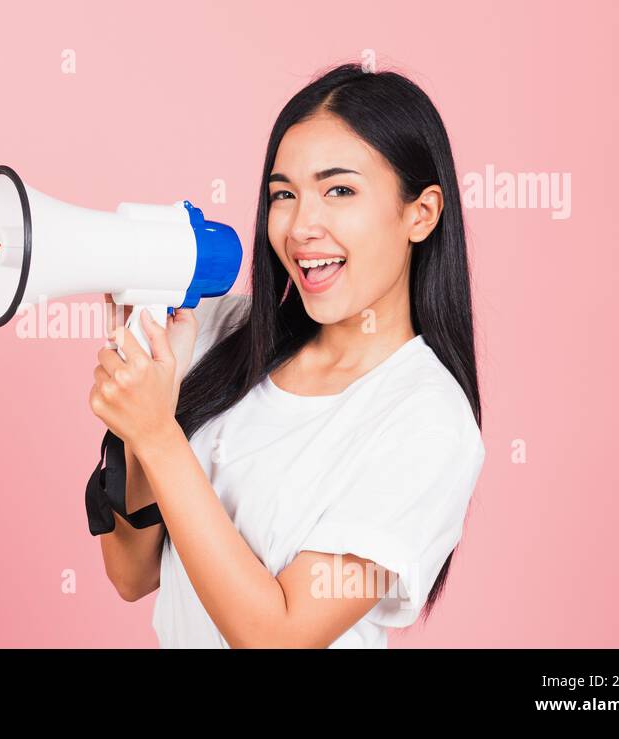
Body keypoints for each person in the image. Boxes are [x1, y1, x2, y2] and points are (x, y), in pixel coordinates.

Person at [86, 63, 486, 648]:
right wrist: (138, 419)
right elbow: (131, 574)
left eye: (339, 190)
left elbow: (278, 637)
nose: (302, 226)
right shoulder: (219, 332)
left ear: (420, 213)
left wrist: (156, 434)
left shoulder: (429, 421)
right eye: (283, 195)